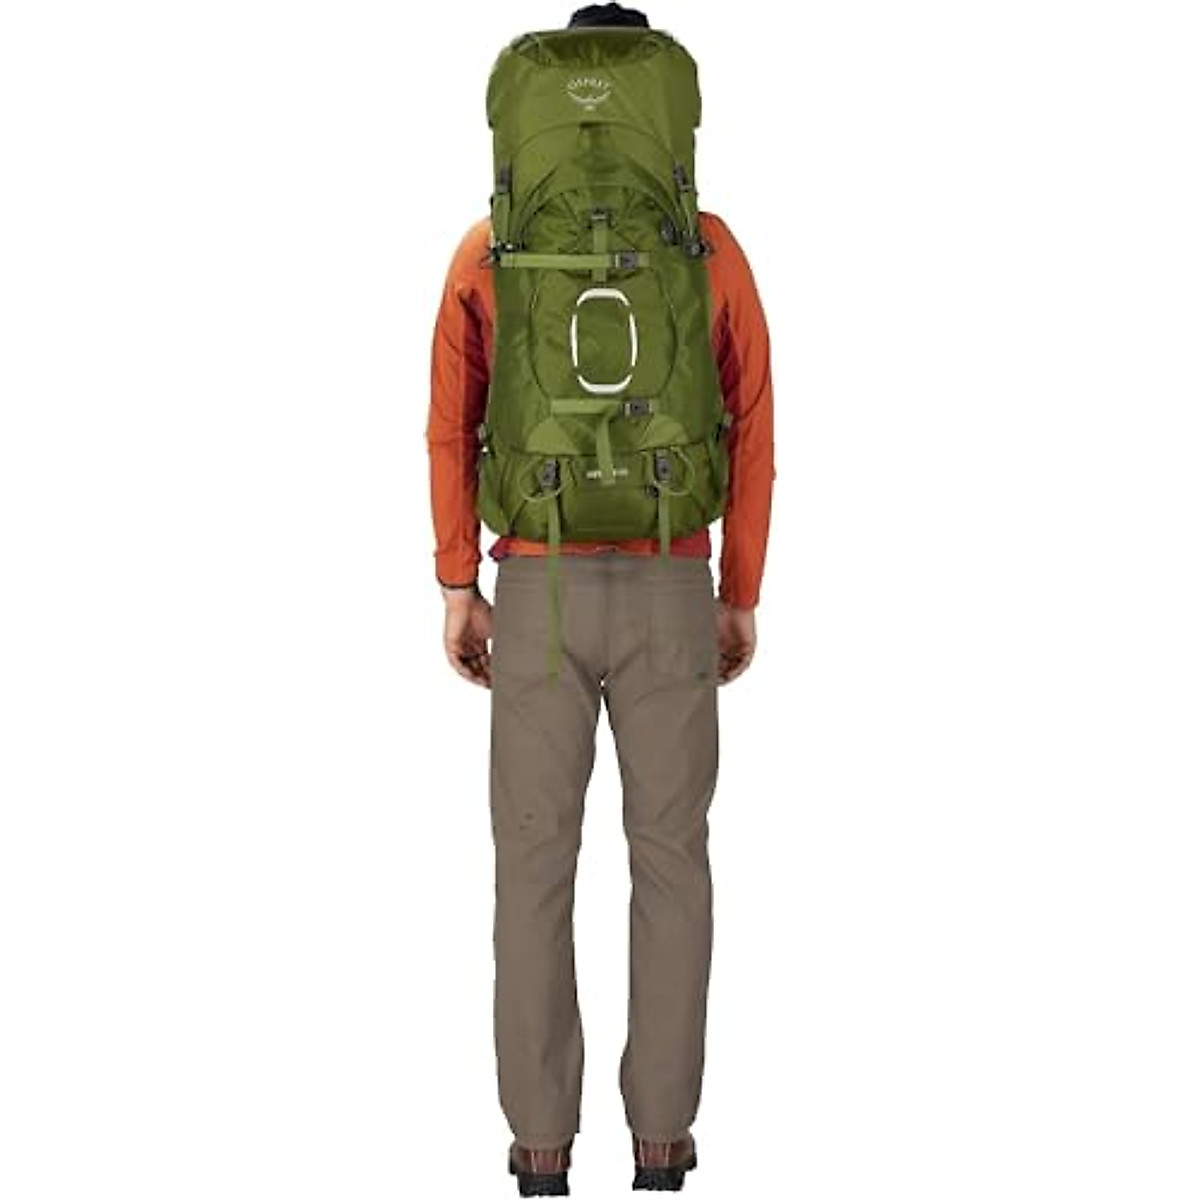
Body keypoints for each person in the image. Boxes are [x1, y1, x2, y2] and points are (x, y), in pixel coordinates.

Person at [426, 3, 774, 1191]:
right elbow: (755, 420)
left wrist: (459, 582)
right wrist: (738, 591)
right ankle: (663, 1142)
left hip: (537, 588)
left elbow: (450, 420)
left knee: (533, 868)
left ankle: (539, 1147)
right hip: (675, 577)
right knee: (671, 859)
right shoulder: (708, 248)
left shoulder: (491, 249)